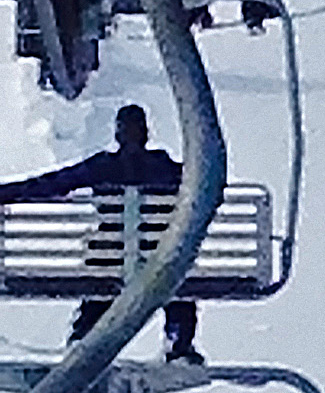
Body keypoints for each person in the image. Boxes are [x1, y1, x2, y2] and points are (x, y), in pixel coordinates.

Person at [0, 105, 202, 364]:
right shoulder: (167, 167)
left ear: (118, 134)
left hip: (107, 263)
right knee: (174, 268)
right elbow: (207, 185)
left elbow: (50, 184)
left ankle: (83, 340)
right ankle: (179, 342)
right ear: (146, 134)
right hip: (160, 262)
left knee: (103, 272)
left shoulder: (102, 166)